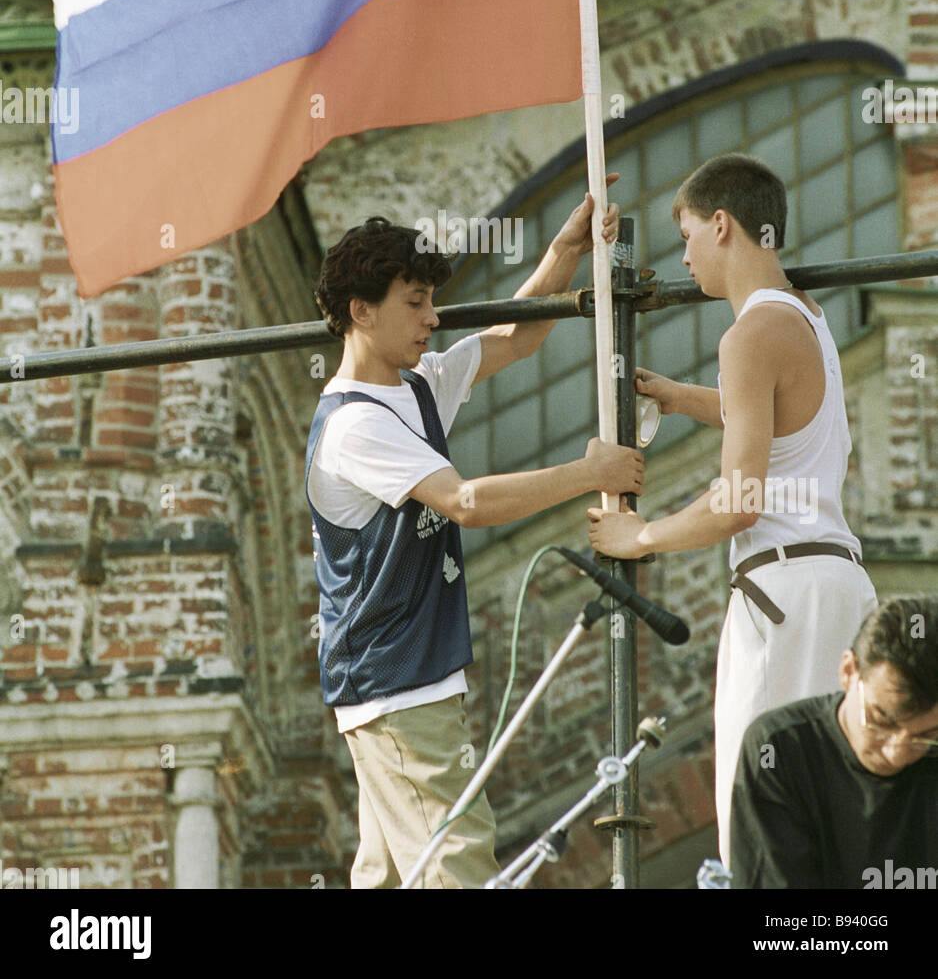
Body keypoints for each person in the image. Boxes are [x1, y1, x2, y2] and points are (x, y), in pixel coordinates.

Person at [307, 187, 644, 889]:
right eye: (415, 302)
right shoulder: (352, 426)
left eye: (433, 300)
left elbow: (513, 338)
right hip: (394, 681)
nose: (433, 318)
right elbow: (465, 501)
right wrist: (590, 473)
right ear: (361, 312)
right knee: (457, 861)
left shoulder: (416, 385)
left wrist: (566, 249)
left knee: (392, 875)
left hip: (401, 679)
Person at [586, 152, 878, 866]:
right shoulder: (807, 317)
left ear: (722, 225)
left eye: (686, 234)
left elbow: (741, 501)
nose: (681, 254)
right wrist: (684, 397)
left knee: (756, 826)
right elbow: (778, 416)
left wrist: (640, 535)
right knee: (832, 822)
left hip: (783, 593)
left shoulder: (748, 334)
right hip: (834, 586)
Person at [730, 595, 938, 888]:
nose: (897, 753)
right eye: (881, 720)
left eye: (926, 735)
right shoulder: (779, 750)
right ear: (848, 671)